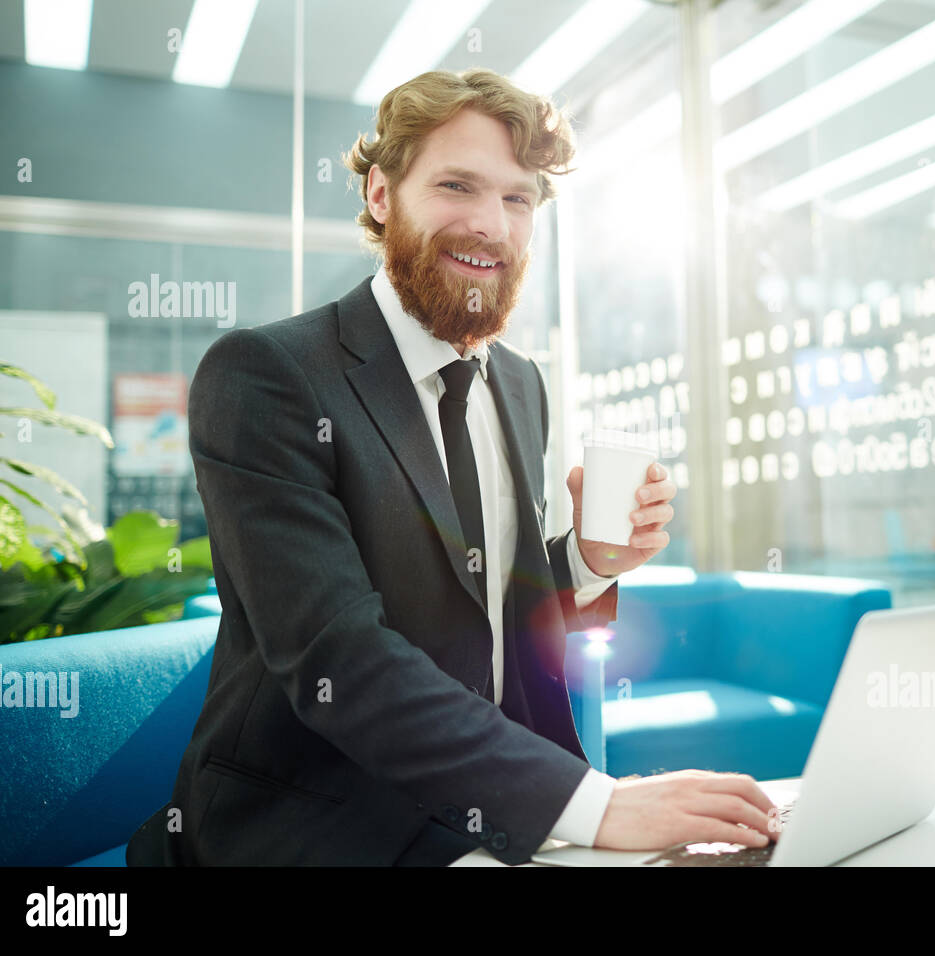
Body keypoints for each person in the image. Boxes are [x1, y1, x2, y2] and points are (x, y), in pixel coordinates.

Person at [126, 67, 778, 866]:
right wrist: (597, 805)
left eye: (516, 199)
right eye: (456, 186)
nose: (489, 225)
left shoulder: (518, 382)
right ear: (379, 195)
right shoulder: (268, 375)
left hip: (489, 813)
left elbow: (486, 612)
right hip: (318, 828)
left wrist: (588, 564)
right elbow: (340, 657)